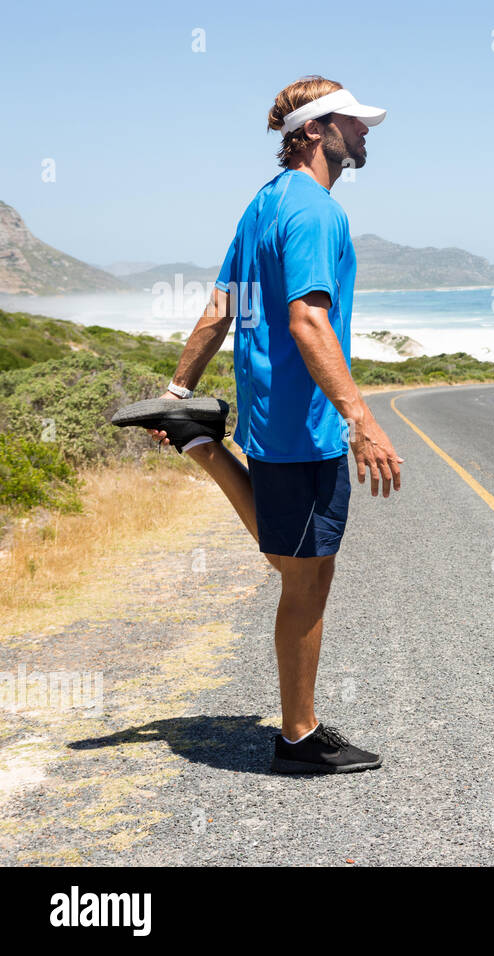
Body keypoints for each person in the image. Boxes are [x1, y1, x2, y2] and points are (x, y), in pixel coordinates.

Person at [112, 76, 403, 774]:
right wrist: (360, 418)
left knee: (295, 561)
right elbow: (307, 319)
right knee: (304, 575)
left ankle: (202, 442)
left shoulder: (263, 204)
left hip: (273, 420)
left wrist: (178, 387)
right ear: (312, 132)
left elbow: (220, 306)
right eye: (351, 122)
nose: (366, 132)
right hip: (304, 426)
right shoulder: (314, 213)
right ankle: (297, 738)